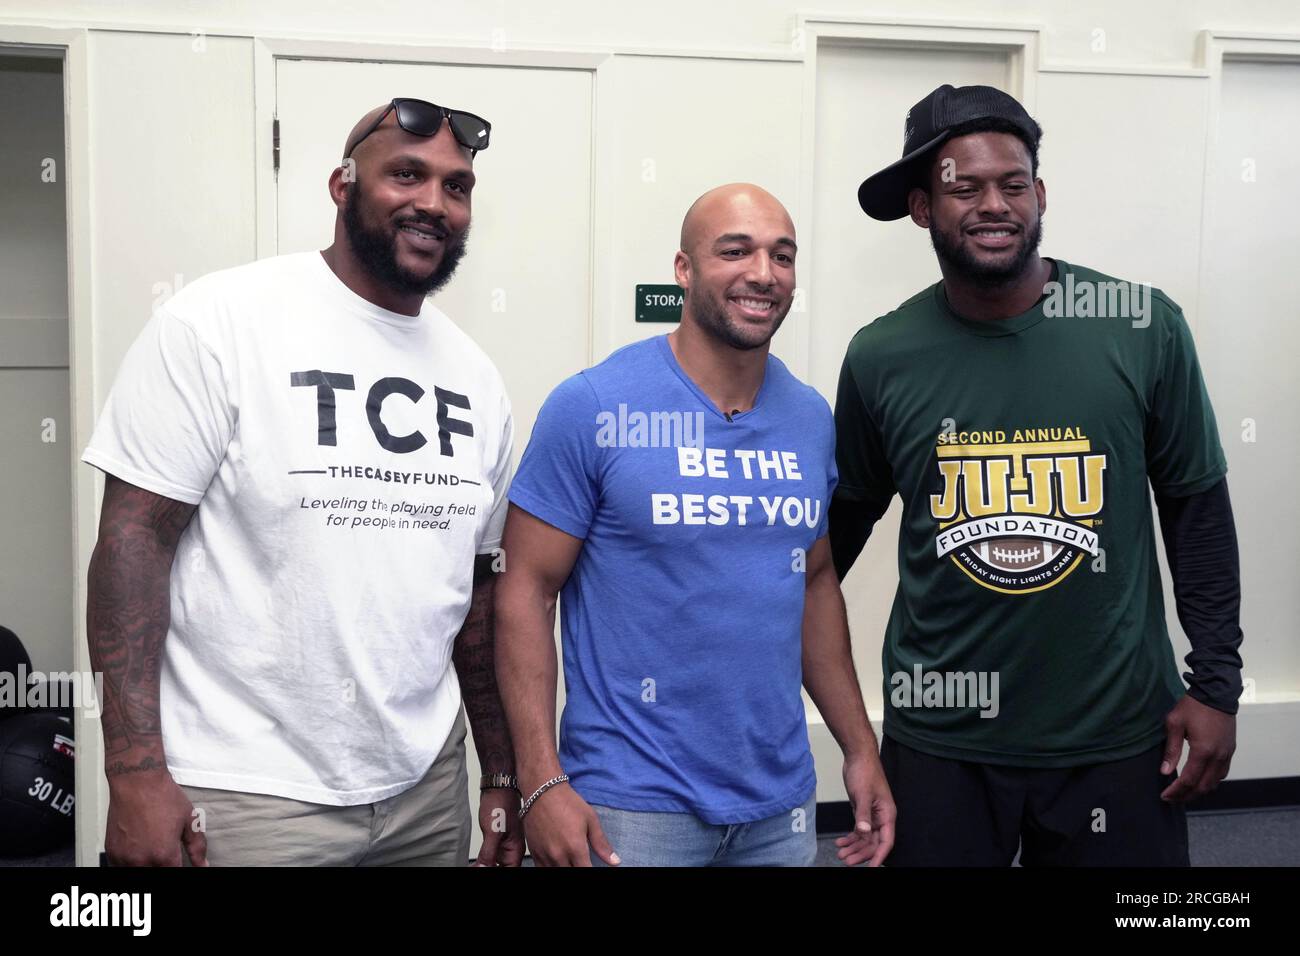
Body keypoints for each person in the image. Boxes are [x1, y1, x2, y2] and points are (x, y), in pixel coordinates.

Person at [82, 98, 523, 866]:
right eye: (407, 175)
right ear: (341, 185)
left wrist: (502, 775)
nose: (433, 203)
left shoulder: (477, 381)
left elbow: (478, 595)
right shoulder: (219, 322)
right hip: (248, 794)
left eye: (457, 187)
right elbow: (132, 546)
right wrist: (134, 773)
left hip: (426, 790)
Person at [833, 84, 1243, 866]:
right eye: (964, 186)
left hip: (1117, 734)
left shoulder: (1139, 325)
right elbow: (837, 531)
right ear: (921, 207)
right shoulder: (882, 355)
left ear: (1040, 194)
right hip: (942, 735)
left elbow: (1195, 511)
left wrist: (1216, 683)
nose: (993, 204)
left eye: (1012, 184)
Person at [495, 183, 895, 867]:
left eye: (782, 255)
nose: (763, 274)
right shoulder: (594, 405)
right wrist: (540, 781)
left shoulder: (806, 417)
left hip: (779, 808)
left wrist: (859, 748)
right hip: (628, 807)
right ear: (684, 269)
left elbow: (816, 580)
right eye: (735, 251)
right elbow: (523, 591)